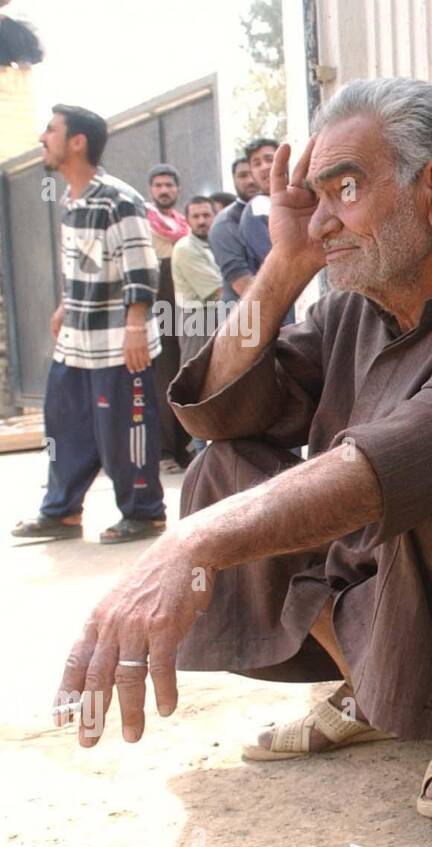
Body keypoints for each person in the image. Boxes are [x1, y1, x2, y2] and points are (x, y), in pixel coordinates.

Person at [52, 78, 432, 823]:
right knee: (227, 464)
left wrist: (188, 543)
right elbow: (227, 410)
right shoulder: (354, 308)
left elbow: (403, 455)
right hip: (384, 587)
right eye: (313, 199)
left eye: (343, 190)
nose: (321, 223)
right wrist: (284, 268)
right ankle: (370, 683)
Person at [11, 105, 165, 544]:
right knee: (65, 425)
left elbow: (142, 267)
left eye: (51, 130)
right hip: (77, 342)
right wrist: (64, 306)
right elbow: (83, 263)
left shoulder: (120, 200)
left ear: (77, 142)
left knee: (125, 430)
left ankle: (144, 512)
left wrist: (135, 327)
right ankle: (61, 511)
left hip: (118, 344)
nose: (43, 137)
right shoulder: (70, 201)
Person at [145, 163, 192, 473]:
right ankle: (163, 451)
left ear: (177, 189)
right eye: (159, 185)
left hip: (185, 305)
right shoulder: (144, 223)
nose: (164, 190)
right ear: (151, 190)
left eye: (169, 185)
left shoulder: (185, 225)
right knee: (161, 378)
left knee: (184, 373)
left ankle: (182, 446)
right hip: (157, 301)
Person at [209, 139, 275, 305]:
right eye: (242, 176)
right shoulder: (224, 224)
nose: (250, 181)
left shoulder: (272, 209)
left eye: (269, 160)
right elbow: (243, 285)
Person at [170, 195, 222, 367]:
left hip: (219, 314)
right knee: (196, 373)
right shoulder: (186, 248)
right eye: (196, 216)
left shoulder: (216, 243)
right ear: (187, 220)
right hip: (199, 319)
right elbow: (217, 291)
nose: (201, 221)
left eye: (206, 215)